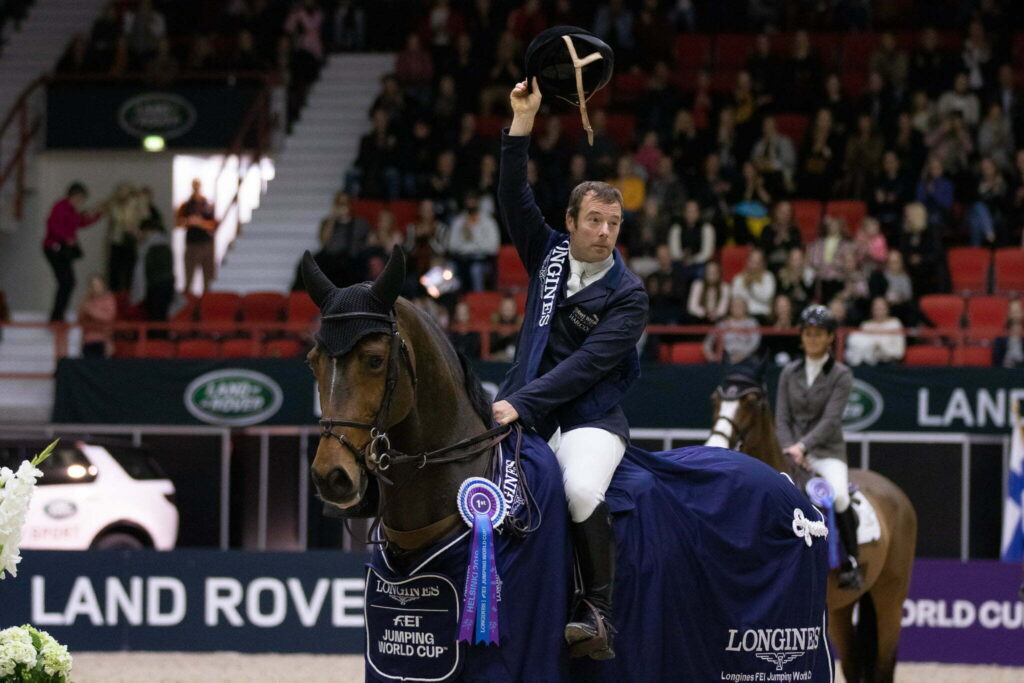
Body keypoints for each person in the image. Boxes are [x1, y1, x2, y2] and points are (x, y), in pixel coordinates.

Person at [495, 76, 648, 660]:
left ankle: (596, 613)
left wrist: (521, 404)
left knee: (580, 488)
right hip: (524, 407)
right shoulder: (548, 253)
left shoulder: (628, 295)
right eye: (594, 221)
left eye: (613, 224)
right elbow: (513, 196)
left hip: (588, 420)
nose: (605, 232)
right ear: (572, 219)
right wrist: (522, 124)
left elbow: (586, 367)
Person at [775, 305, 860, 590]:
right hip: (791, 453)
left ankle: (852, 563)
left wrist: (803, 446)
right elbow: (782, 417)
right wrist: (790, 449)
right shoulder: (789, 372)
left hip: (826, 451)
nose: (812, 339)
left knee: (838, 497)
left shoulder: (841, 375)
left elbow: (831, 420)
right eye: (808, 333)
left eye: (819, 334)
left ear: (830, 338)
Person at [42, 182, 105, 322]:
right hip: (55, 248)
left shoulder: (72, 211)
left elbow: (80, 223)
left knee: (68, 282)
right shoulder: (60, 207)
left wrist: (97, 216)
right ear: (75, 196)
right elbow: (52, 226)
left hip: (64, 249)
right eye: (81, 199)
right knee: (66, 282)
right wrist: (67, 238)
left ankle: (59, 313)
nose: (81, 203)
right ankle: (56, 315)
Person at [445, 190, 501, 292]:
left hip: (481, 261)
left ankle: (478, 299)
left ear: (478, 201)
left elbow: (493, 247)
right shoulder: (459, 221)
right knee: (449, 268)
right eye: (469, 200)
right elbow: (451, 246)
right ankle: (454, 301)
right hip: (461, 260)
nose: (471, 202)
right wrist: (467, 244)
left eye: (473, 199)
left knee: (476, 270)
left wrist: (472, 236)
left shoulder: (488, 221)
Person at [175, 178, 217, 295]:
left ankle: (206, 306)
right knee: (189, 278)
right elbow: (178, 222)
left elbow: (214, 224)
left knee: (208, 280)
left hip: (206, 244)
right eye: (194, 185)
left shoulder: (207, 205)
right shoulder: (186, 205)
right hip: (192, 245)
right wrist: (189, 222)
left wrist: (201, 223)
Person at [845, 297, 906, 366]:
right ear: (872, 310)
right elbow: (858, 347)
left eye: (882, 308)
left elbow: (899, 351)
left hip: (890, 363)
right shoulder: (866, 325)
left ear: (887, 309)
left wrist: (882, 348)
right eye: (876, 309)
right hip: (867, 364)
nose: (879, 311)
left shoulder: (895, 323)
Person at [702, 296, 760, 363]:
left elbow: (755, 342)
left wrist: (743, 355)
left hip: (746, 358)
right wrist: (711, 357)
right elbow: (707, 343)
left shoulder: (752, 323)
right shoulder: (722, 324)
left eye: (740, 305)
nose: (737, 308)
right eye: (734, 305)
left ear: (745, 307)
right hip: (725, 357)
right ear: (729, 308)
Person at [77, 274, 117, 358]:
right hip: (87, 340)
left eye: (97, 285)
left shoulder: (108, 299)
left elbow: (108, 317)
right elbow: (80, 320)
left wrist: (91, 311)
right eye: (93, 285)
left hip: (103, 340)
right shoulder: (87, 300)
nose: (95, 288)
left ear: (103, 286)